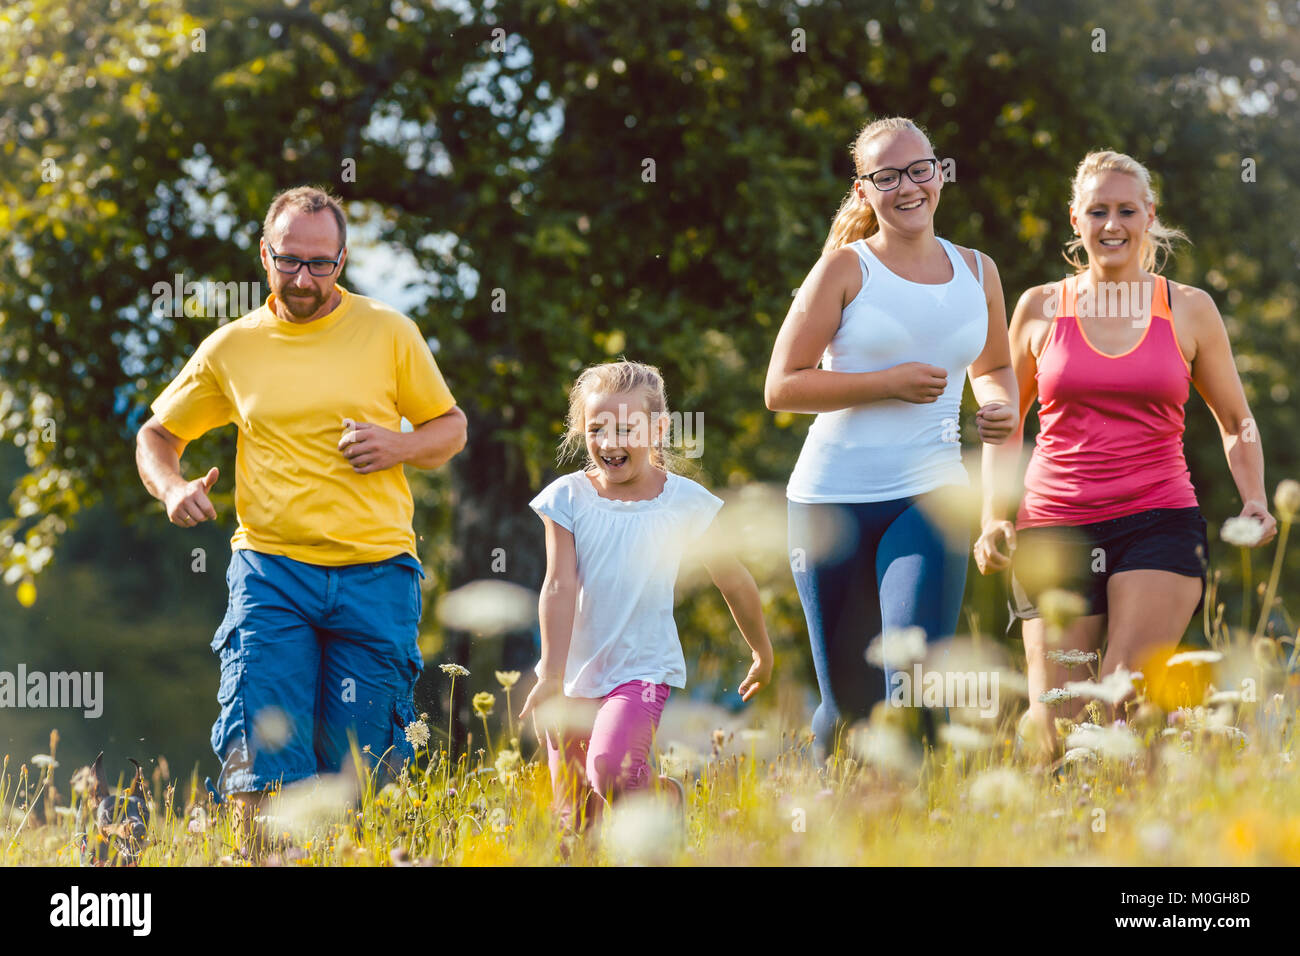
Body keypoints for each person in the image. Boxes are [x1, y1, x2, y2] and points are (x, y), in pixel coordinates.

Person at [135, 186, 468, 846]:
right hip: (271, 575)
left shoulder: (389, 332)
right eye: (289, 261)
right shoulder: (233, 348)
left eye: (321, 264)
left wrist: (398, 443)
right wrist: (171, 488)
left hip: (376, 575)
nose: (304, 278)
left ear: (341, 261)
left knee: (363, 774)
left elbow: (450, 428)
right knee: (261, 763)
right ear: (265, 254)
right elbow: (156, 435)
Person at [973, 150, 1278, 758]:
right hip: (1053, 525)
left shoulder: (1189, 307)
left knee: (1119, 700)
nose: (1112, 224)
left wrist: (1255, 499)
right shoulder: (1039, 307)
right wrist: (992, 515)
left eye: (1126, 210)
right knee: (1058, 717)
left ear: (1149, 216)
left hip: (1158, 519)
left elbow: (1235, 420)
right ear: (1075, 220)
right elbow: (1009, 423)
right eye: (1098, 211)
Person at [764, 117, 1016, 765]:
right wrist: (886, 384)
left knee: (914, 685)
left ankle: (923, 835)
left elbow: (994, 369)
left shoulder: (978, 271)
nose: (907, 186)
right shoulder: (844, 271)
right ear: (864, 190)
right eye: (887, 176)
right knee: (847, 709)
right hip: (829, 502)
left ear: (941, 173)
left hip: (930, 494)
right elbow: (781, 387)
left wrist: (994, 408)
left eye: (919, 169)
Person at [518, 360, 773, 837]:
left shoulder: (685, 502)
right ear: (581, 430)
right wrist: (551, 675)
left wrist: (761, 650)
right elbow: (559, 584)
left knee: (611, 770)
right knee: (576, 825)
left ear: (658, 429)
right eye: (597, 428)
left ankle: (661, 796)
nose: (610, 442)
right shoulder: (567, 498)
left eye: (626, 428)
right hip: (569, 676)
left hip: (642, 671)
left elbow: (731, 578)